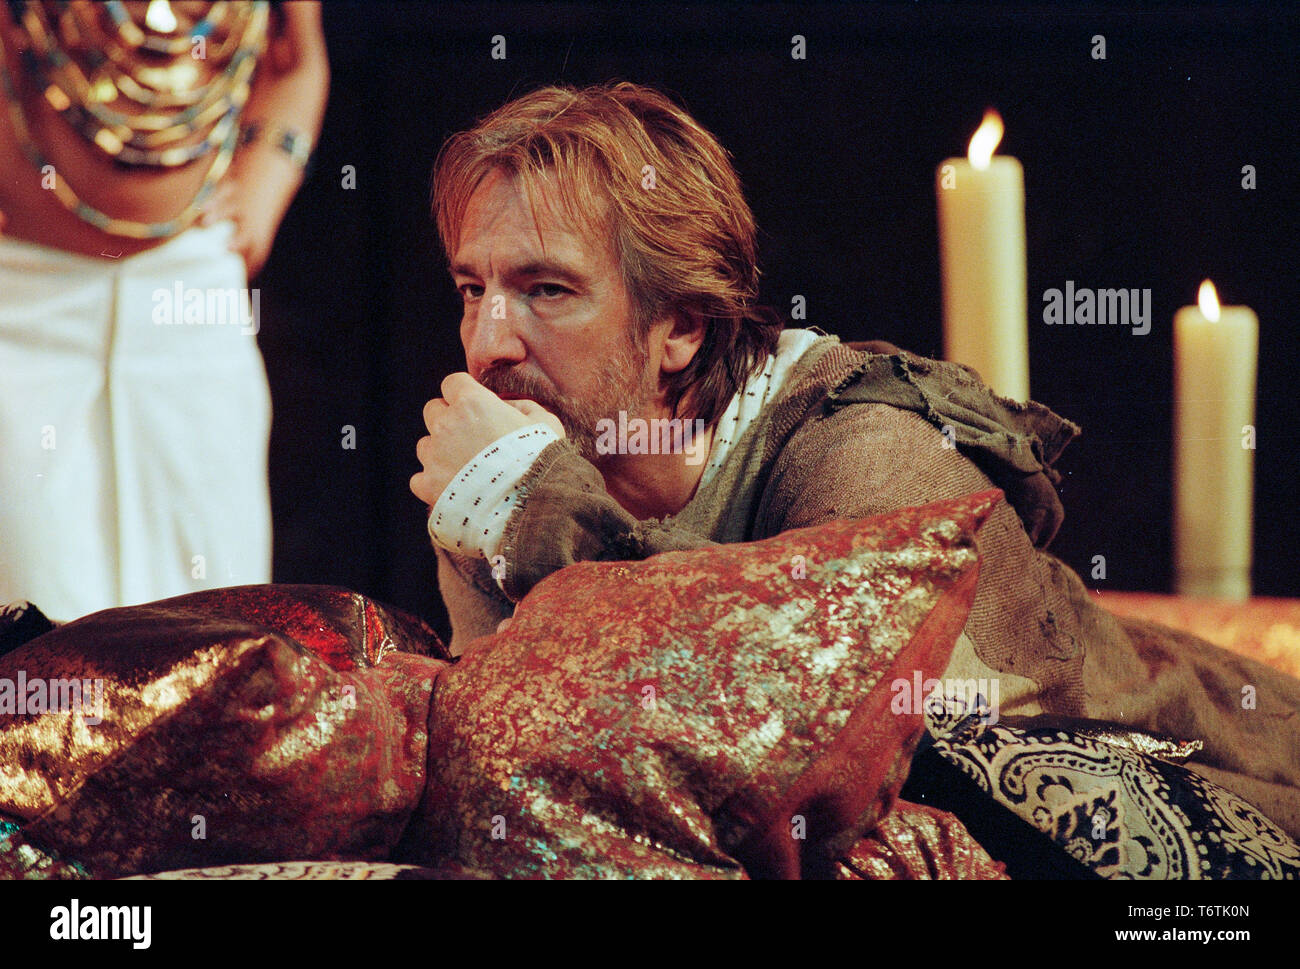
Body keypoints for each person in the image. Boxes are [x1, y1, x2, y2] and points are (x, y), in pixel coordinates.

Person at [409, 81, 1300, 839]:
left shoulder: (862, 443)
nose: (487, 342)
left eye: (546, 290)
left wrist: (529, 511)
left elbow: (824, 727)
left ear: (680, 326)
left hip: (1244, 796)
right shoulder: (513, 471)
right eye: (472, 288)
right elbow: (519, 765)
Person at [0, 1, 328, 621]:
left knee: (208, 619)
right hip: (19, 304)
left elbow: (296, 57)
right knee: (31, 618)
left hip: (191, 304)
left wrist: (267, 177)